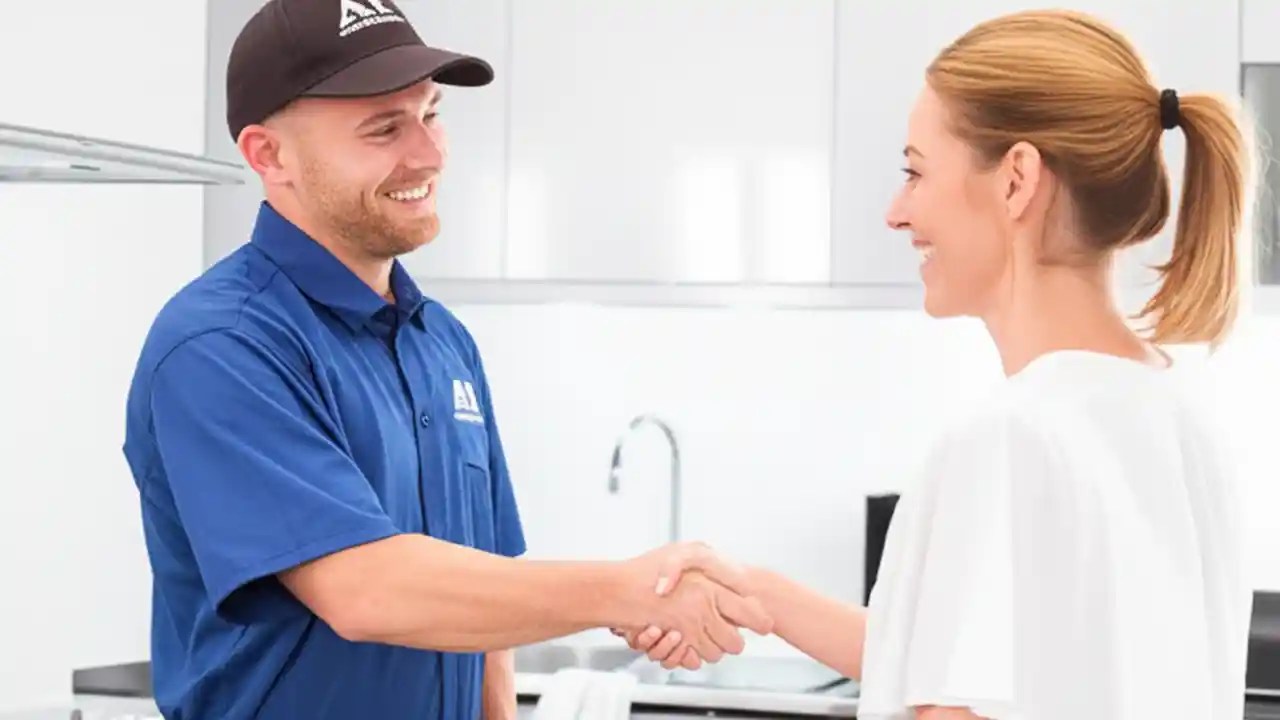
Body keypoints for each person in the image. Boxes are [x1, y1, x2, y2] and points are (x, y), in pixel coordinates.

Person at [120, 1, 770, 719]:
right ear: (269, 156)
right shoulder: (223, 346)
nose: (428, 154)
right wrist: (624, 588)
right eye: (384, 129)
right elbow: (367, 590)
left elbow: (487, 601)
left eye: (431, 114)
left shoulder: (443, 342)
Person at [627, 9, 1256, 720]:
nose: (896, 212)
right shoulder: (1185, 426)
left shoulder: (1008, 441)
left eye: (914, 172)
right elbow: (1002, 672)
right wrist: (764, 597)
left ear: (1017, 180)